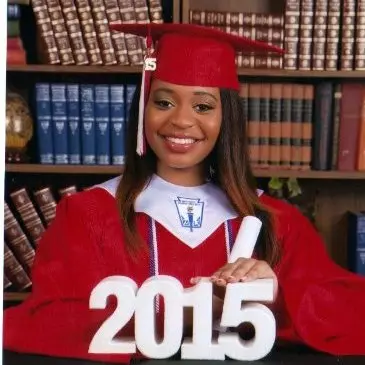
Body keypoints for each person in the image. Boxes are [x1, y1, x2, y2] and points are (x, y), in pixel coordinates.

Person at [3, 23, 365, 364]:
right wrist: (176, 315)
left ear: (227, 118)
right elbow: (45, 322)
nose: (181, 121)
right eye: (163, 102)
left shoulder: (276, 220)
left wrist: (276, 300)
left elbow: (353, 312)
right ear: (144, 108)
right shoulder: (90, 215)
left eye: (203, 106)